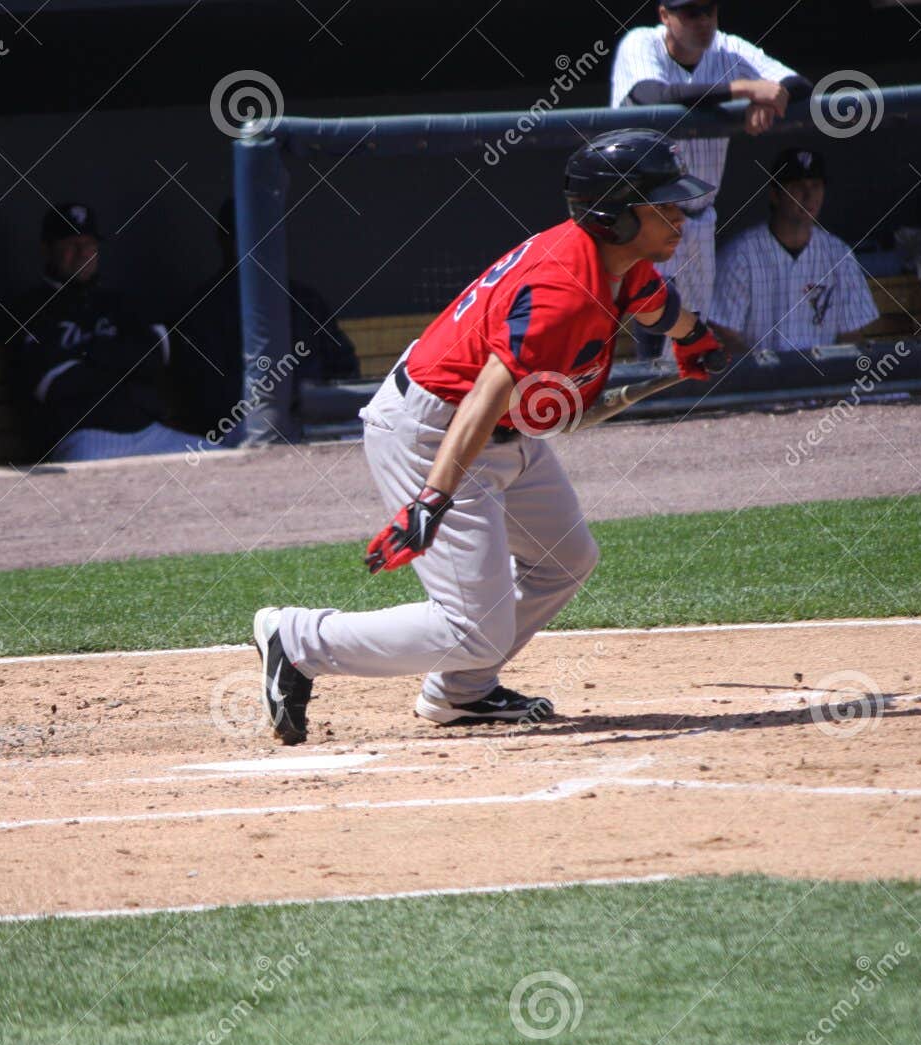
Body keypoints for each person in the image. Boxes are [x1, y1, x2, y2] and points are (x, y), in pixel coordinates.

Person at [251, 130, 725, 745]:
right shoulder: (561, 292)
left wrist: (692, 335)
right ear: (614, 214)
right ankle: (298, 640)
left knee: (565, 559)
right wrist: (432, 499)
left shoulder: (614, 262)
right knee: (472, 629)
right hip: (436, 433)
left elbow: (653, 302)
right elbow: (486, 394)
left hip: (502, 434)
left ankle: (461, 693)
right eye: (661, 205)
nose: (678, 216)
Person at [610, 1, 808, 354]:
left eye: (709, 11)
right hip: (640, 215)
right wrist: (746, 91)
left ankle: (681, 405)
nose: (702, 21)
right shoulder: (640, 43)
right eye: (689, 13)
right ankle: (644, 403)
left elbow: (796, 82)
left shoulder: (727, 48)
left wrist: (769, 99)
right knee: (651, 310)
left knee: (688, 326)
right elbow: (651, 95)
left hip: (698, 216)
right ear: (664, 16)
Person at [166, 201, 360, 446]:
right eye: (246, 237)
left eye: (267, 237)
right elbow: (202, 397)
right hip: (237, 433)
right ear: (225, 241)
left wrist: (314, 406)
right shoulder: (202, 310)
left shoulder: (306, 301)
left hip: (312, 428)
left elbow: (343, 367)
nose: (258, 247)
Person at [11, 202, 193, 461]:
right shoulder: (31, 308)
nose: (83, 253)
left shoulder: (118, 301)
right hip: (83, 437)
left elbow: (158, 354)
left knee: (225, 463)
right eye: (70, 245)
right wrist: (125, 361)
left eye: (89, 244)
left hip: (149, 432)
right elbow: (53, 384)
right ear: (46, 249)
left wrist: (87, 356)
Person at [709, 148, 878, 353]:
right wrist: (761, 375)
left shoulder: (839, 254)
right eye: (797, 186)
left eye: (816, 185)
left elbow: (851, 334)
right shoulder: (740, 255)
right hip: (762, 379)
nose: (809, 195)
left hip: (823, 379)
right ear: (775, 194)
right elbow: (725, 335)